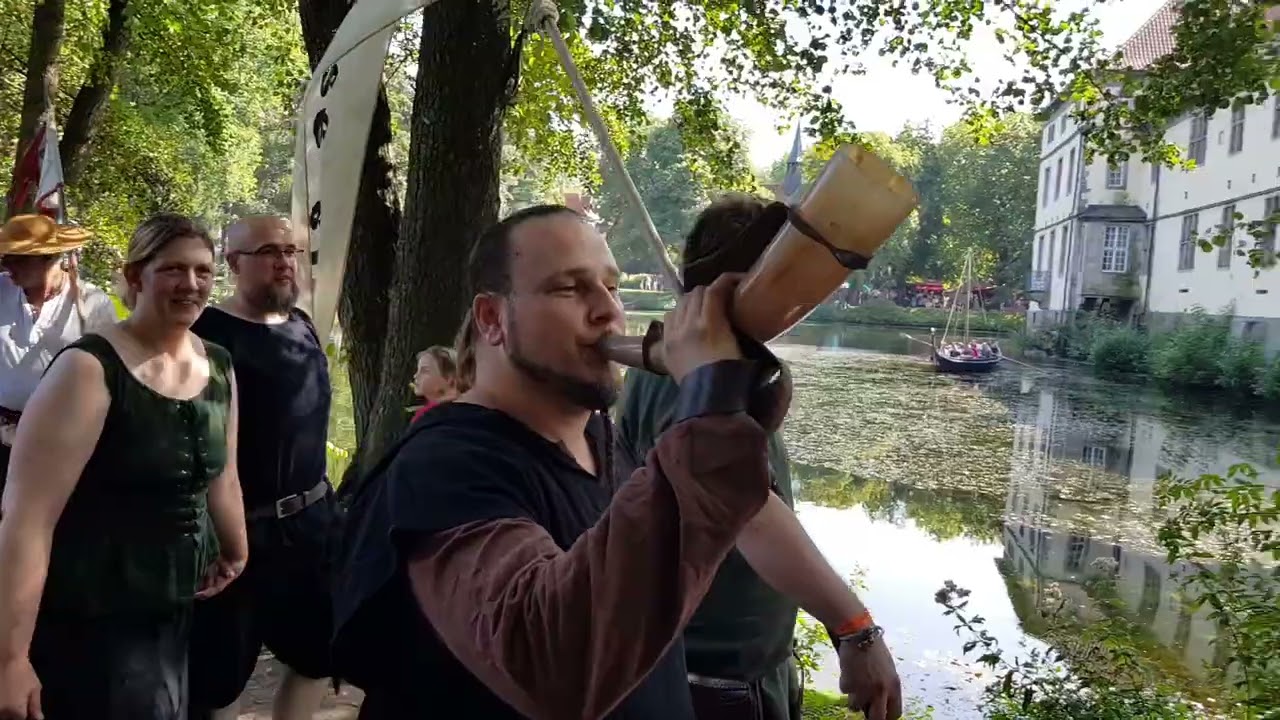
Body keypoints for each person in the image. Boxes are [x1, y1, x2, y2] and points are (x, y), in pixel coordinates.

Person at [332, 204, 802, 719]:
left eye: (611, 287)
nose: (608, 311)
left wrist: (738, 413)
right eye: (569, 289)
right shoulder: (444, 465)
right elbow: (549, 661)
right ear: (491, 319)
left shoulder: (602, 437)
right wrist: (709, 412)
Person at [617, 195, 902, 720]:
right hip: (711, 679)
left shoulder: (717, 363)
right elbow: (743, 509)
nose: (808, 296)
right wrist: (855, 630)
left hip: (746, 669)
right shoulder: (685, 374)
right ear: (752, 278)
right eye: (796, 277)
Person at [0, 213, 248, 719]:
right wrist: (10, 659)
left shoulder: (218, 363)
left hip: (172, 611)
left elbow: (223, 475)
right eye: (174, 269)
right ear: (136, 277)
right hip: (90, 617)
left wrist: (235, 548)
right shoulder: (88, 370)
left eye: (203, 271)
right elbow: (27, 520)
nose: (192, 284)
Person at [186, 215, 338, 720]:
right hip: (238, 534)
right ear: (233, 263)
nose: (285, 262)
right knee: (217, 680)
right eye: (270, 252)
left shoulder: (303, 325)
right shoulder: (207, 336)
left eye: (292, 251)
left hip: (312, 529)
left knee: (320, 654)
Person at [0, 214, 117, 495]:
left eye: (18, 257)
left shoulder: (91, 304)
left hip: (64, 443)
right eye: (5, 256)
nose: (7, 264)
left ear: (49, 257)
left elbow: (112, 374)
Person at [410, 345, 461, 422]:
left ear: (449, 378)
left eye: (425, 371)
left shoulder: (439, 416)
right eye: (418, 370)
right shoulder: (430, 413)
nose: (415, 376)